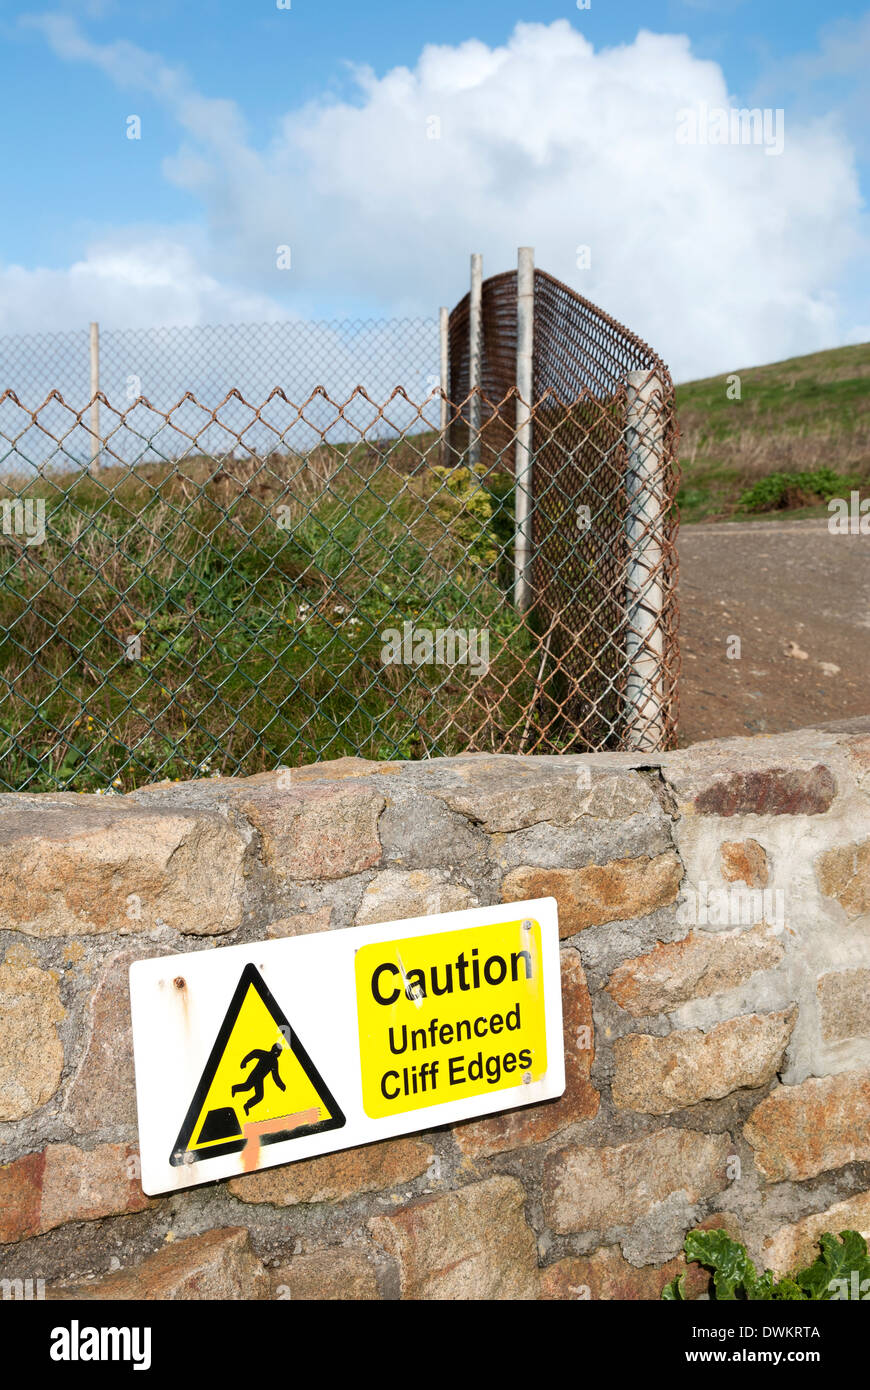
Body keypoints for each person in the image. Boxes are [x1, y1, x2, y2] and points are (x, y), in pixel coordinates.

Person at [231, 1042, 286, 1116]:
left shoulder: (274, 1062)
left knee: (259, 1096)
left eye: (280, 1052)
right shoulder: (266, 1055)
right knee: (247, 1087)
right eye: (278, 1052)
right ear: (274, 1050)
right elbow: (254, 1053)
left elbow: (275, 1075)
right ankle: (235, 1088)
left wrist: (281, 1085)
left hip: (260, 1079)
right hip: (255, 1075)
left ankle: (247, 1105)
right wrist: (244, 1062)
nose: (279, 1054)